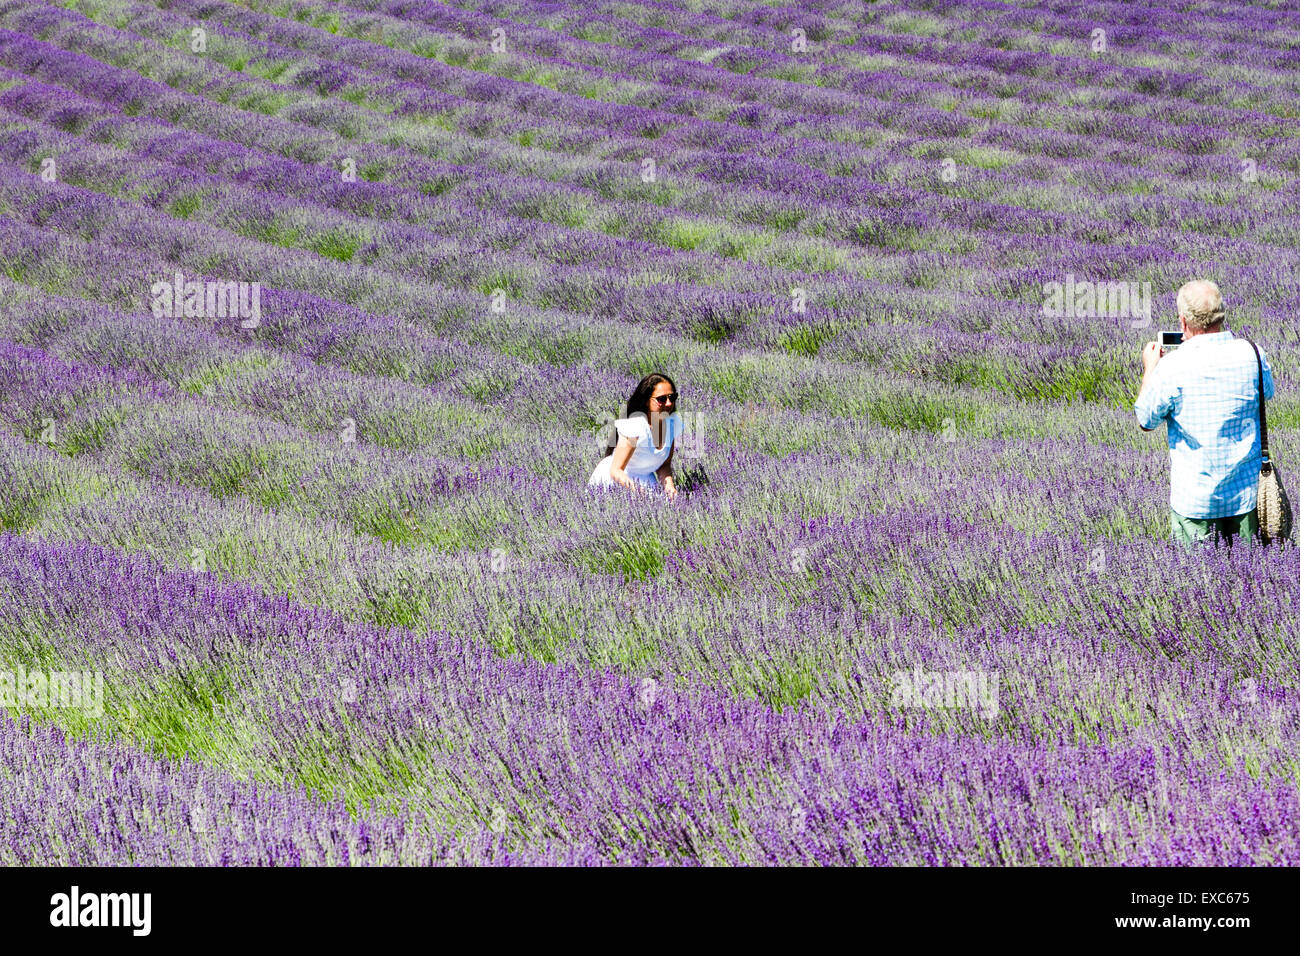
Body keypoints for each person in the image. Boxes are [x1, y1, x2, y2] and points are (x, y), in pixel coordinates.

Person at [1134, 279, 1274, 548]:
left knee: (1200, 581)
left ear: (1183, 322)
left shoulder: (1173, 366)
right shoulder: (1253, 354)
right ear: (1221, 315)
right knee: (1248, 580)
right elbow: (1267, 393)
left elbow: (1145, 420)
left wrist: (1151, 367)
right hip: (1245, 497)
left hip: (1195, 504)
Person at [588, 373, 680, 500]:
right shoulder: (635, 427)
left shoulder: (671, 425)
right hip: (617, 484)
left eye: (672, 397)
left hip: (647, 482)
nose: (669, 403)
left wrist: (670, 487)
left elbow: (664, 465)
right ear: (647, 401)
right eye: (662, 399)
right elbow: (616, 470)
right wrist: (639, 493)